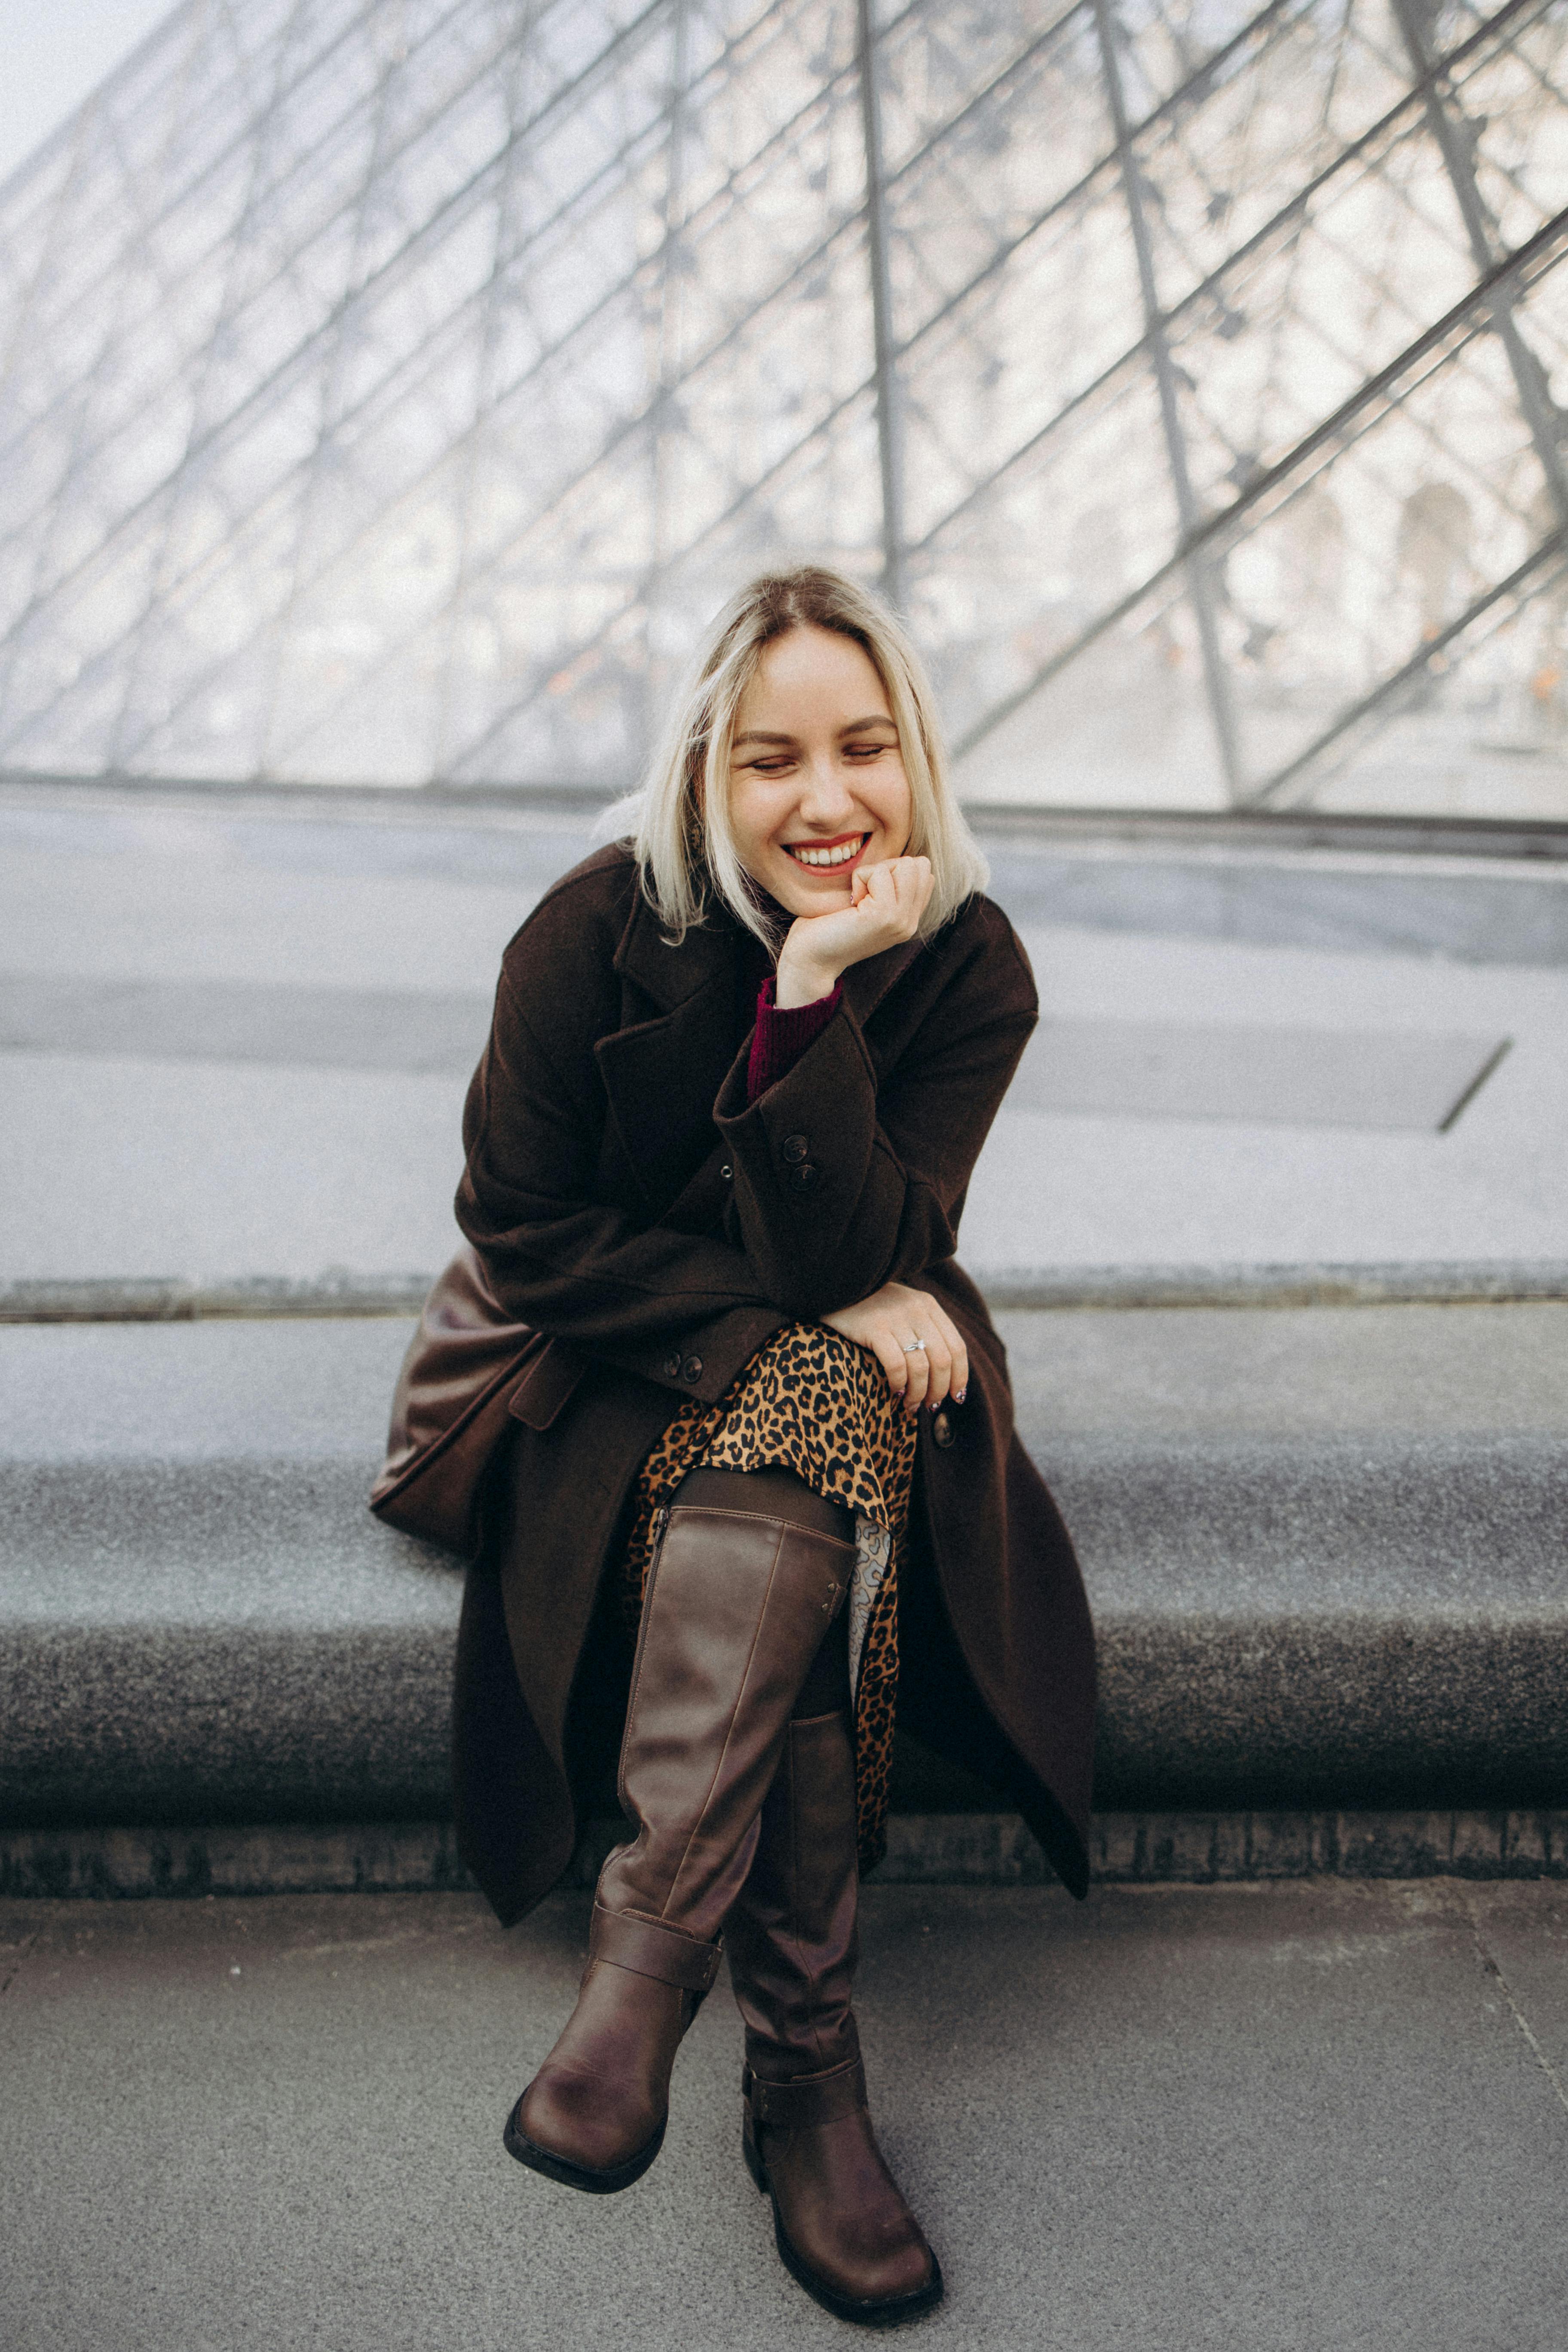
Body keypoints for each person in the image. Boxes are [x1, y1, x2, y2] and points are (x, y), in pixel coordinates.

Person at [387, 564, 1095, 2326]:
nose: (829, 800)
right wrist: (800, 1322)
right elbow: (522, 1231)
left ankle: (642, 1981)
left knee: (814, 1431)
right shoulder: (584, 932)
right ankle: (809, 2082)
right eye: (773, 760)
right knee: (818, 1410)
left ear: (917, 754)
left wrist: (811, 995)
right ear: (708, 765)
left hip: (850, 1378)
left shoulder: (969, 969)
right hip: (606, 1374)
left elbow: (868, 1238)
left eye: (866, 748)